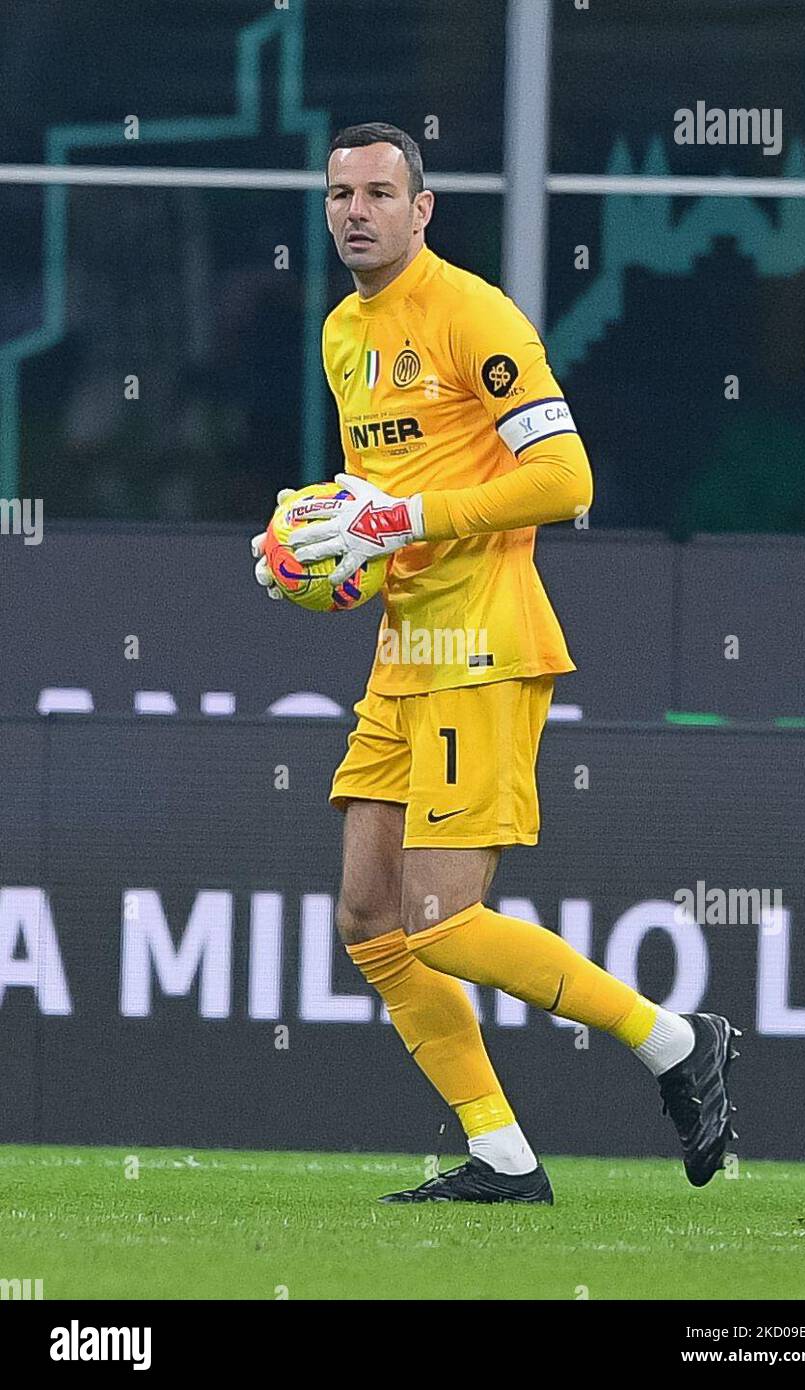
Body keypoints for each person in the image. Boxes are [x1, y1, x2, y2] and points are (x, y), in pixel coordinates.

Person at [252, 123, 739, 1203]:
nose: (356, 211)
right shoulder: (342, 332)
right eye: (340, 194)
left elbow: (566, 482)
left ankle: (672, 1040)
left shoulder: (473, 313)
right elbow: (375, 508)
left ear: (421, 208)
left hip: (482, 640)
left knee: (444, 919)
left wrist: (398, 520)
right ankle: (502, 1158)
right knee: (369, 917)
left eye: (381, 191)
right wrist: (310, 547)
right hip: (403, 648)